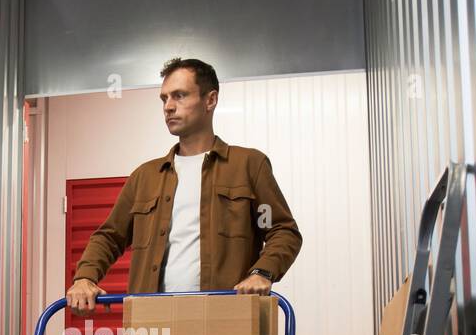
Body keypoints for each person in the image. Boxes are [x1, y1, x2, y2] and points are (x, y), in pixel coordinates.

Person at [66, 57, 302, 314]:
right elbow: (109, 237)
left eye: (179, 96)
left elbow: (282, 231)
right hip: (152, 323)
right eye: (164, 99)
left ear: (210, 100)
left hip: (226, 318)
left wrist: (261, 273)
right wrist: (85, 278)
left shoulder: (248, 165)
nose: (168, 107)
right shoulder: (145, 177)